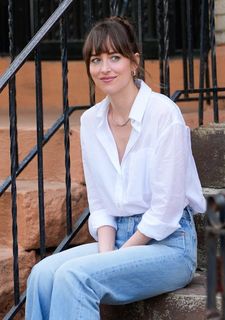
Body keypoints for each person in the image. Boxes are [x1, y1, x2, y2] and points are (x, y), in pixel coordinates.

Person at [25, 16, 206, 320]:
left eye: (114, 57)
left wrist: (115, 260)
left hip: (170, 245)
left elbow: (166, 209)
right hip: (117, 236)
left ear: (134, 62)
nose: (104, 68)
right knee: (42, 275)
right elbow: (100, 203)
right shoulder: (91, 122)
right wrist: (106, 256)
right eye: (96, 60)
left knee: (74, 277)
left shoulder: (163, 114)